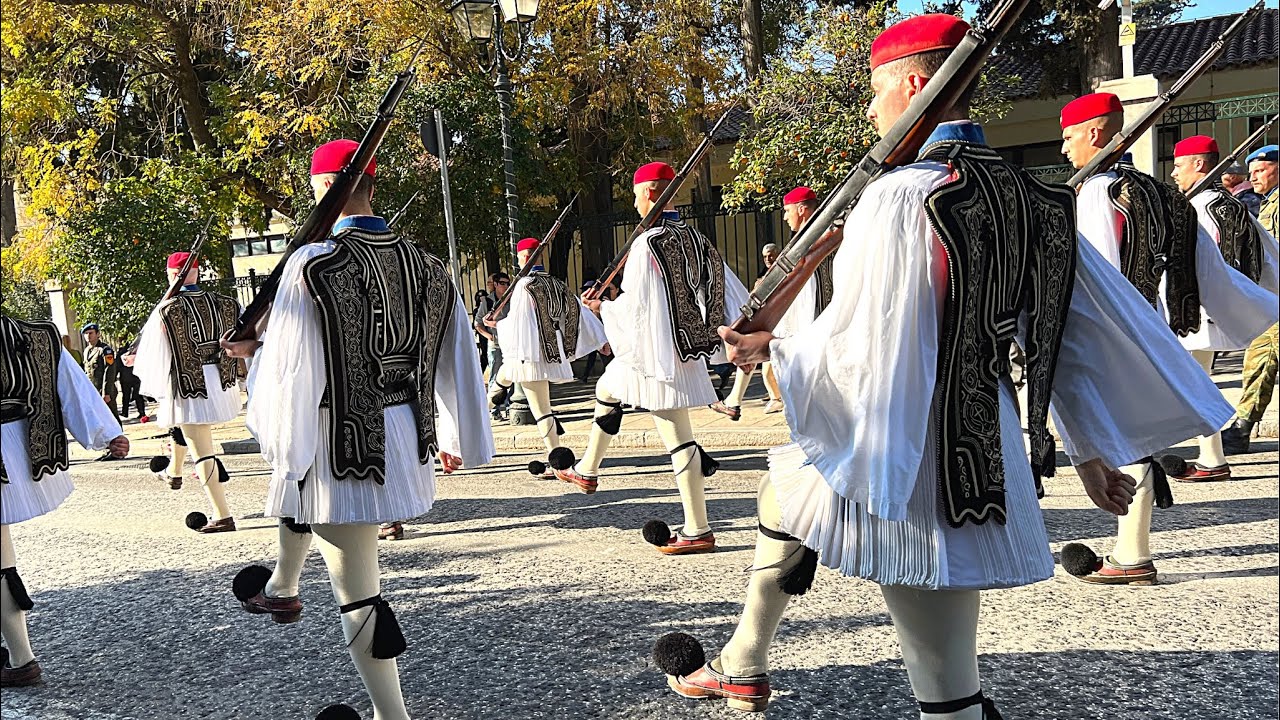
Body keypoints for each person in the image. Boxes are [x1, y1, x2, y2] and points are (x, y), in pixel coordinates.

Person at [656, 15, 1232, 716]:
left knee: (947, 689)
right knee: (785, 495)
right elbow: (1067, 334)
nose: (870, 109)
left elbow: (870, 347)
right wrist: (1086, 450)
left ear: (914, 84)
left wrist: (770, 349)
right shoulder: (1037, 199)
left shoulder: (899, 197)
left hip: (914, 448)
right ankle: (744, 662)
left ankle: (766, 667)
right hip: (978, 432)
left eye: (874, 91)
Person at [222, 139, 494, 719]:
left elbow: (292, 370)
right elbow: (458, 357)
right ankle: (282, 587)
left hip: (339, 442)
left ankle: (391, 716)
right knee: (326, 533)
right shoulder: (427, 263)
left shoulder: (312, 263)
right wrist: (459, 437)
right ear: (376, 183)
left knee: (358, 590)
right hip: (405, 435)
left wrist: (255, 356)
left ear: (322, 188)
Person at [1060, 102, 1276, 585]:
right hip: (1151, 324)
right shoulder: (1163, 194)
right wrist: (1257, 306)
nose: (1063, 147)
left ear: (1096, 134)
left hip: (1107, 331)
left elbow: (1095, 277)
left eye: (1070, 136)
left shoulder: (1095, 193)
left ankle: (1131, 555)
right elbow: (1212, 271)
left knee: (1123, 436)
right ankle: (1130, 549)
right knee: (1131, 431)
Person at [555, 161, 750, 556]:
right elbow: (729, 291)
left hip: (658, 356)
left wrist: (602, 311)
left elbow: (640, 309)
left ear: (646, 193)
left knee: (680, 440)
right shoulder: (696, 238)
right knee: (608, 387)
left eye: (633, 193)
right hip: (684, 349)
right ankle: (587, 470)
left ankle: (698, 528)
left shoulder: (647, 243)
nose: (632, 201)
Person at [2, 313, 129, 687]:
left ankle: (22, 659)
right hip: (27, 451)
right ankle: (19, 656)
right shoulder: (37, 333)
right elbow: (72, 386)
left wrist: (107, 434)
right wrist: (106, 433)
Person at [1167, 135, 1278, 480]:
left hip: (1198, 309)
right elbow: (1268, 255)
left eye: (1179, 165)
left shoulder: (1199, 208)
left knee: (1195, 381)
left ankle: (1212, 461)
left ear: (1199, 165)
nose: (1173, 173)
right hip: (1214, 309)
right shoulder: (1229, 204)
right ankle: (1210, 457)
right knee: (1196, 380)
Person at [134, 252, 243, 533]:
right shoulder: (226, 303)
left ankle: (223, 515)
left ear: (172, 275)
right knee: (191, 433)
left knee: (202, 450)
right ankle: (174, 472)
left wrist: (155, 387)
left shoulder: (167, 310)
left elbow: (155, 357)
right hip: (222, 383)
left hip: (187, 386)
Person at [486, 238, 607, 476]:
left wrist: (497, 325)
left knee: (541, 410)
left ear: (522, 256)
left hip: (530, 356)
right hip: (548, 353)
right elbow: (577, 310)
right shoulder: (555, 283)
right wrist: (599, 339)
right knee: (502, 377)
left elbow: (521, 323)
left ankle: (558, 462)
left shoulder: (524, 285)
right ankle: (478, 417)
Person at [710, 187, 833, 420]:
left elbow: (799, 292)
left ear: (802, 209)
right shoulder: (823, 235)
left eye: (787, 211)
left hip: (807, 329)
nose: (785, 217)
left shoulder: (806, 242)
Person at [1224, 144, 1280, 453]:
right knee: (1260, 355)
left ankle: (1241, 429)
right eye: (1252, 171)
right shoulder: (1269, 202)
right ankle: (1241, 428)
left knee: (1262, 356)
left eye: (1260, 170)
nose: (1253, 177)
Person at [474, 272, 511, 421]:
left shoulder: (511, 300)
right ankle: (494, 409)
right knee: (495, 378)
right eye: (503, 283)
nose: (506, 286)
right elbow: (478, 323)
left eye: (508, 283)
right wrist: (489, 336)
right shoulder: (488, 303)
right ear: (495, 284)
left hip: (510, 345)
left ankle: (510, 406)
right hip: (495, 346)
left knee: (511, 376)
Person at [80, 323, 119, 418]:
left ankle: (119, 433)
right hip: (92, 391)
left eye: (91, 333)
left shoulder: (105, 350)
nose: (88, 336)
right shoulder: (86, 351)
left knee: (111, 417)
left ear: (98, 334)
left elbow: (109, 372)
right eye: (86, 333)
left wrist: (106, 393)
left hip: (104, 390)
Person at [116, 338, 148, 422]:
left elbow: (117, 366)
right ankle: (141, 412)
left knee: (126, 396)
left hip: (126, 378)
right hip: (135, 376)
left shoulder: (121, 352)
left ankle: (125, 412)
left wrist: (116, 375)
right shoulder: (137, 351)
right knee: (138, 396)